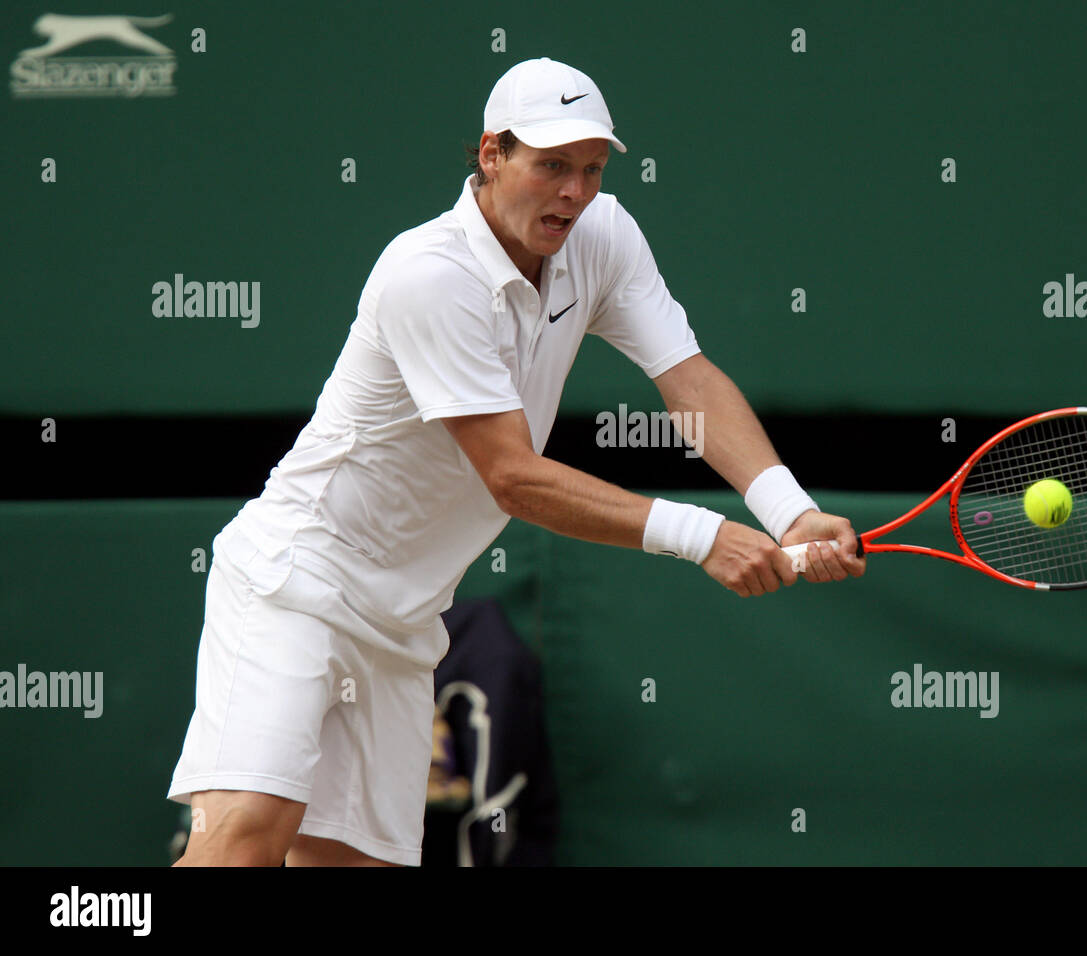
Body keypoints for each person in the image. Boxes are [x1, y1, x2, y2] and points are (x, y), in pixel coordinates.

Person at [168, 57, 865, 867]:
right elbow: (511, 476)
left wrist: (788, 510)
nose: (575, 192)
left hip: (402, 622)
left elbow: (689, 380)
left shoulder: (602, 237)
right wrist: (704, 535)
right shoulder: (429, 276)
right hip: (297, 580)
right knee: (247, 836)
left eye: (593, 169)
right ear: (491, 156)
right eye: (553, 166)